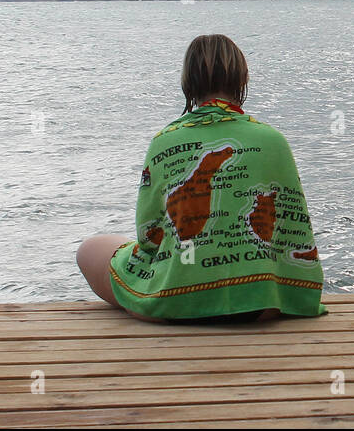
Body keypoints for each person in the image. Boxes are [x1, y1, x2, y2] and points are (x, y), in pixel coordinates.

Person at [77, 34, 326, 323]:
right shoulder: (273, 140)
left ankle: (182, 297)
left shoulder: (164, 141)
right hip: (261, 304)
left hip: (177, 301)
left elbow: (149, 236)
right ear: (242, 79)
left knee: (90, 249)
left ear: (188, 83)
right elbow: (295, 230)